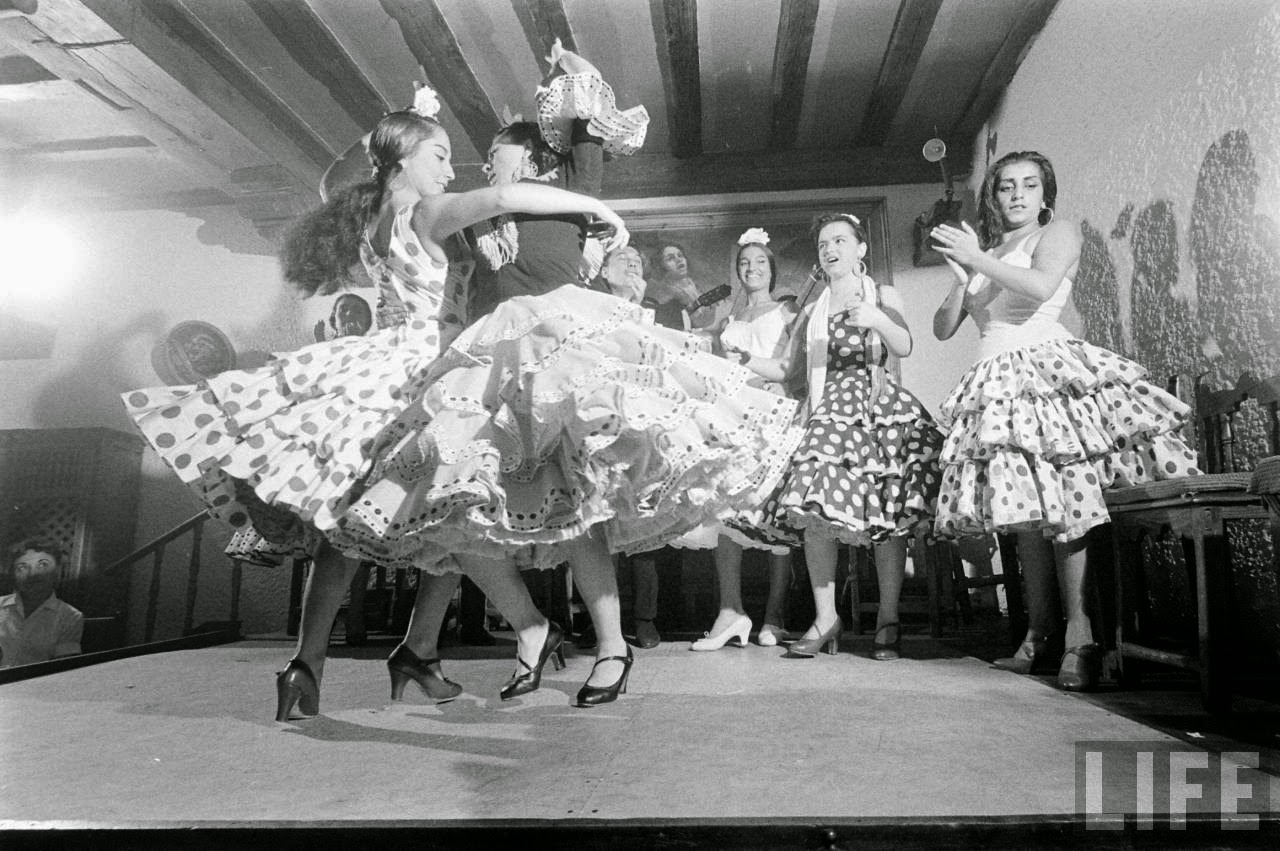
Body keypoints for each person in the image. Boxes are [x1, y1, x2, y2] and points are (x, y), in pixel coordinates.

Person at [123, 94, 628, 719]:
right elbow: (502, 198)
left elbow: (340, 176)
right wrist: (596, 206)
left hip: (379, 356)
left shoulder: (373, 215)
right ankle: (517, 628)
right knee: (449, 499)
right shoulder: (428, 210)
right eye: (439, 156)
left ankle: (339, 660)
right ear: (404, 163)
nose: (451, 169)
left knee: (380, 516)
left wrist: (403, 124)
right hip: (422, 365)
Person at [930, 150, 1200, 691]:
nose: (1017, 195)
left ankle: (1081, 637)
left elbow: (1040, 287)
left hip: (1044, 373)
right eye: (1006, 187)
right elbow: (942, 328)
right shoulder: (987, 251)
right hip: (995, 381)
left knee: (1064, 508)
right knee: (1025, 514)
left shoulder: (1059, 233)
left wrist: (979, 262)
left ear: (1045, 194)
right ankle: (1038, 632)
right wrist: (965, 274)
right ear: (994, 196)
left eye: (1029, 185)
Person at [735, 214, 944, 660]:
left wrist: (876, 319)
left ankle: (888, 620)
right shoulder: (812, 311)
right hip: (829, 411)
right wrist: (743, 357)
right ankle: (826, 618)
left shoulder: (882, 293)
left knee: (888, 514)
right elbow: (786, 371)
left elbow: (904, 345)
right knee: (814, 512)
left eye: (841, 241)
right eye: (824, 244)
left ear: (860, 249)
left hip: (877, 409)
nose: (831, 249)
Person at [688, 228, 799, 650]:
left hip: (773, 413)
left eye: (759, 262)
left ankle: (774, 615)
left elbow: (791, 366)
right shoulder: (728, 321)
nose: (751, 268)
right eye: (744, 263)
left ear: (772, 269)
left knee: (774, 515)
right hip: (734, 417)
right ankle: (730, 612)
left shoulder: (787, 311)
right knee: (726, 513)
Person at [0, 538, 83, 668]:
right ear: (13, 575)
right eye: (22, 567)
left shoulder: (70, 617)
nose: (33, 574)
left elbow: (63, 669)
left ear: (58, 571)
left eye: (43, 564)